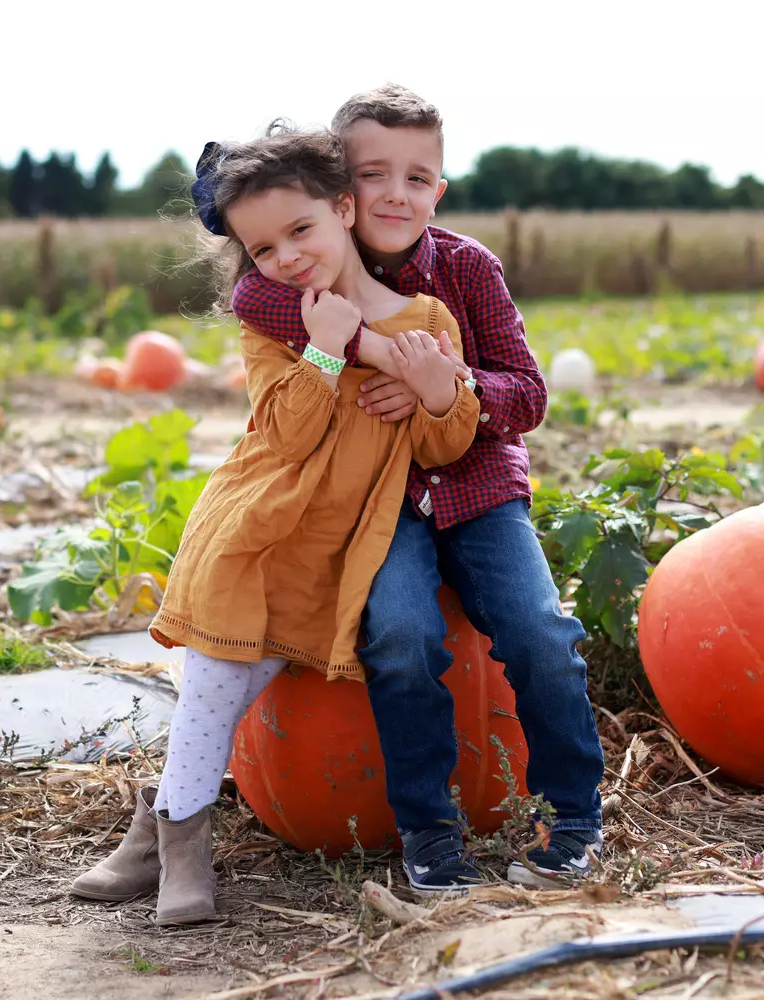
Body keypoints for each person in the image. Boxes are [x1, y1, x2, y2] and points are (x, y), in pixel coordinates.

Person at [69, 126, 480, 924]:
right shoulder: (276, 324)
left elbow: (441, 443)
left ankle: (149, 829)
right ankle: (183, 850)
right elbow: (285, 434)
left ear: (343, 208)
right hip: (259, 534)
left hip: (332, 550)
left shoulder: (426, 315)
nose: (287, 257)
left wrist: (434, 392)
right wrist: (326, 355)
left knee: (229, 693)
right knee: (217, 685)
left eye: (301, 231)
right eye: (263, 249)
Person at [230, 85, 606, 895]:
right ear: (340, 190)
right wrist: (376, 351)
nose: (396, 194)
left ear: (440, 187)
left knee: (541, 634)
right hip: (377, 500)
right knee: (400, 639)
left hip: (477, 483)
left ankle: (575, 818)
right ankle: (430, 834)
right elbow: (247, 294)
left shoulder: (467, 269)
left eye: (418, 177)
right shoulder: (300, 272)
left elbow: (530, 395)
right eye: (375, 174)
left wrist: (447, 383)